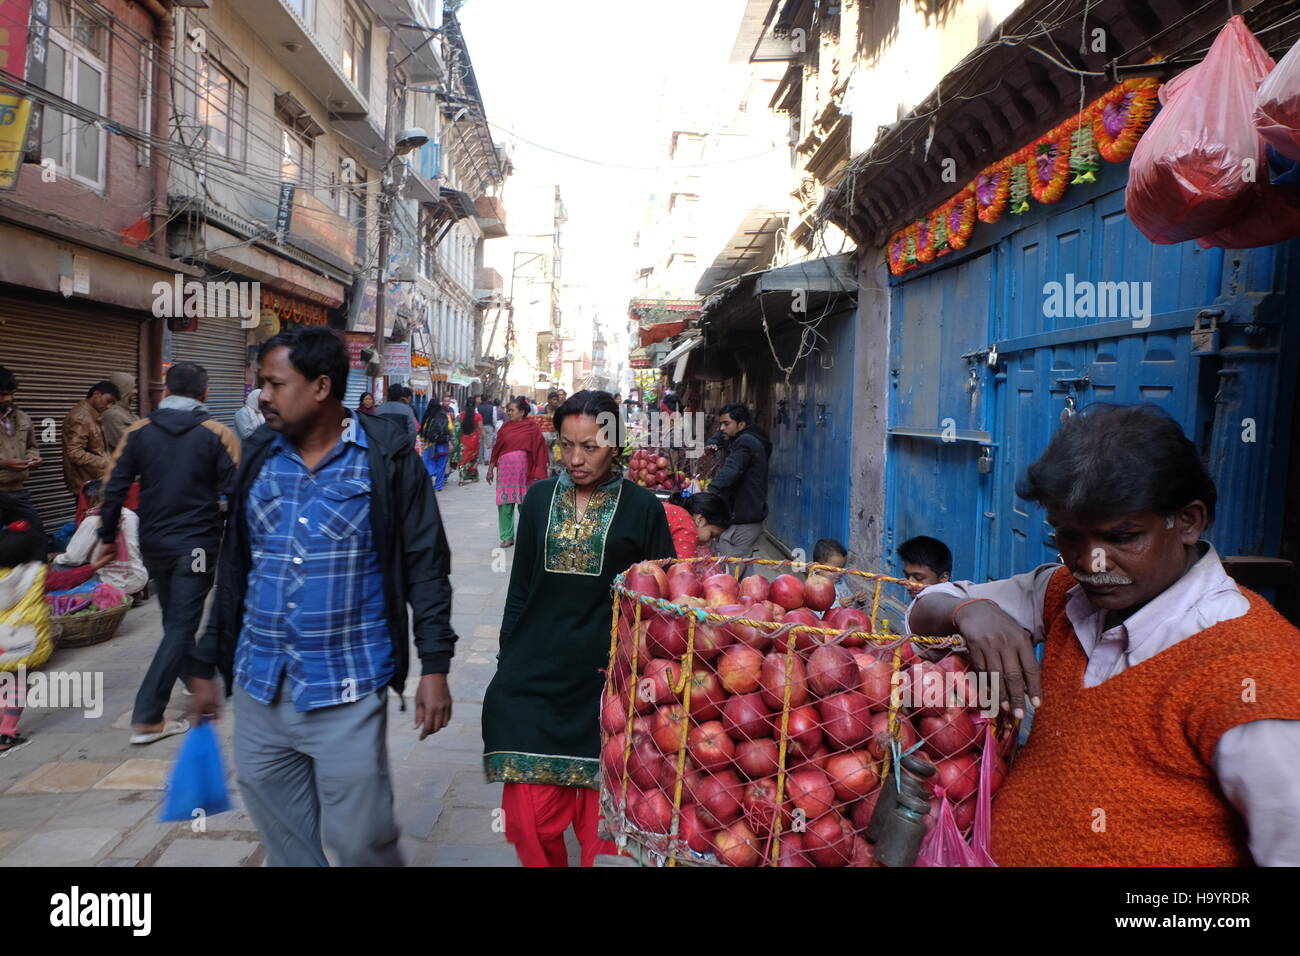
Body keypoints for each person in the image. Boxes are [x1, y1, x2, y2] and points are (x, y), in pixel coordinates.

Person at [908, 403, 1300, 866]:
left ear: (1190, 521)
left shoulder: (1255, 674)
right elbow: (922, 611)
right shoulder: (1064, 595)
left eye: (1122, 536)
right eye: (1068, 537)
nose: (1092, 563)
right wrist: (969, 611)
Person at [183, 327, 457, 867]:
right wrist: (207, 659)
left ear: (321, 387)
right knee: (287, 847)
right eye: (261, 383)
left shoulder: (386, 458)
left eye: (274, 383)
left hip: (347, 689)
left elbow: (427, 562)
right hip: (261, 686)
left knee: (362, 843)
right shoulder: (259, 455)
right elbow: (238, 567)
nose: (262, 394)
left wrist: (436, 665)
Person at [483, 390, 675, 867]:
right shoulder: (538, 498)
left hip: (610, 684)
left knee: (606, 833)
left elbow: (664, 605)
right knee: (527, 820)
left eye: (589, 446)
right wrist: (508, 661)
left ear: (615, 443)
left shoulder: (644, 508)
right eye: (566, 445)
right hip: (535, 678)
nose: (575, 458)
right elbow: (520, 589)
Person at [96, 361, 239, 746]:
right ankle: (147, 716)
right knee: (180, 624)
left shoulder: (138, 432)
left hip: (155, 542)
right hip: (197, 544)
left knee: (175, 619)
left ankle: (194, 678)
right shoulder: (216, 434)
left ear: (165, 392)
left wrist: (107, 536)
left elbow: (113, 486)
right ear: (205, 393)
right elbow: (238, 492)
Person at [0, 519, 115, 752]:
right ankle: (6, 733)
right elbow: (68, 580)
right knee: (18, 686)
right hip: (23, 641)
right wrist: (95, 565)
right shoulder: (37, 574)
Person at [55, 479, 147, 596]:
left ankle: (113, 593)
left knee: (59, 567)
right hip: (139, 577)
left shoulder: (92, 520)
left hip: (112, 581)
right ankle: (131, 593)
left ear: (92, 499)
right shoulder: (131, 515)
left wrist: (56, 559)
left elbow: (74, 558)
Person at [708, 402, 772, 568]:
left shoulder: (745, 442)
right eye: (720, 423)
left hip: (745, 518)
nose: (722, 428)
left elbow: (732, 469)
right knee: (741, 569)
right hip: (746, 516)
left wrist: (711, 490)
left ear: (741, 424)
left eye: (726, 424)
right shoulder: (746, 439)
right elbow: (719, 440)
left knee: (731, 571)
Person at [487, 397, 548, 548]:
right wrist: (490, 469)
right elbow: (497, 449)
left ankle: (529, 536)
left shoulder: (532, 428)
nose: (508, 413)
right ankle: (507, 537)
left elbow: (539, 450)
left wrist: (539, 471)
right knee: (505, 505)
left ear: (521, 412)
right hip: (506, 474)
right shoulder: (505, 428)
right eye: (508, 410)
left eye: (511, 410)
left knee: (525, 506)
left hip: (524, 474)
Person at [0, 367, 44, 538]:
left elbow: (31, 445)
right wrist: (4, 464)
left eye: (10, 393)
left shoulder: (22, 418)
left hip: (17, 492)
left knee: (35, 535)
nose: (7, 399)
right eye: (2, 394)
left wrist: (31, 458)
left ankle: (36, 565)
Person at [62, 380, 119, 510]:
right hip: (87, 484)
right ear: (96, 394)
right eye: (108, 401)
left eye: (113, 403)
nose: (109, 406)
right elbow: (75, 453)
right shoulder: (81, 417)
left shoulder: (93, 415)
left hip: (95, 481)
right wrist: (106, 462)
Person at [664, 490, 729, 559]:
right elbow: (683, 566)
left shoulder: (672, 510)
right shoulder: (687, 526)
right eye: (711, 535)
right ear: (700, 520)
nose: (710, 543)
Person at [811, 538, 860, 607]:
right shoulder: (813, 588)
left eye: (841, 570)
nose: (838, 574)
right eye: (833, 570)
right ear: (817, 567)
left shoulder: (840, 582)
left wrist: (857, 600)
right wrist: (839, 605)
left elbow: (850, 600)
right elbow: (817, 613)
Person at [420, 394, 455, 491]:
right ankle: (438, 485)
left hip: (430, 445)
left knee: (428, 463)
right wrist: (451, 441)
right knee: (441, 465)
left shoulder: (427, 418)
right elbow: (451, 429)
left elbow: (423, 431)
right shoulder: (445, 416)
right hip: (443, 445)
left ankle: (428, 483)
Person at [100, 372, 139, 455]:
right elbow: (131, 445)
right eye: (132, 388)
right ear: (122, 389)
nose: (136, 391)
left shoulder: (127, 412)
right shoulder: (112, 415)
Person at [457, 404, 483, 485]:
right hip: (474, 439)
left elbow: (458, 428)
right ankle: (473, 476)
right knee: (473, 459)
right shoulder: (478, 416)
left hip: (463, 439)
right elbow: (480, 428)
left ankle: (462, 478)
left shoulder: (461, 416)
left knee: (463, 459)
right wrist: (487, 440)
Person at [477, 394, 499, 466]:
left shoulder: (478, 407)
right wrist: (494, 425)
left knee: (480, 442)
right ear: (488, 399)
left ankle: (480, 459)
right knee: (488, 441)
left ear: (481, 399)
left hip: (480, 426)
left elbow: (476, 417)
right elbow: (494, 418)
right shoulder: (493, 407)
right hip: (489, 425)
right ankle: (486, 459)